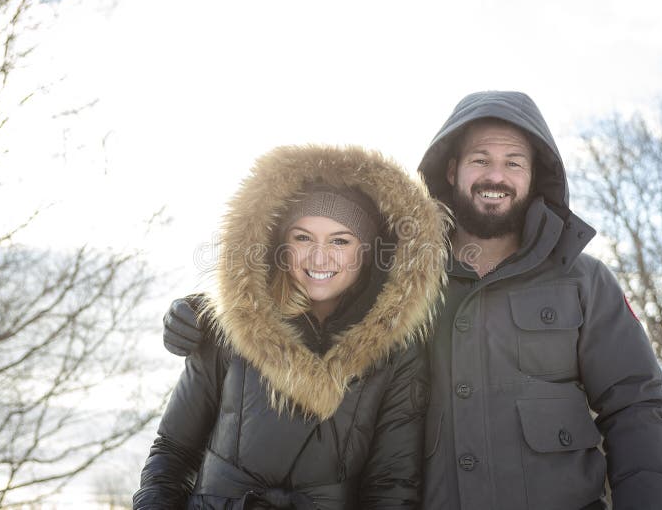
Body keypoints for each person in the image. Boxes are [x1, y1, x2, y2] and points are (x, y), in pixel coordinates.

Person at [163, 92, 662, 510]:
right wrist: (205, 311)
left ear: (533, 176)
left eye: (513, 162)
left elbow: (635, 406)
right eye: (481, 160)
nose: (496, 176)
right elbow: (304, 290)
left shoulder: (584, 280)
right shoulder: (398, 280)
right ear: (452, 170)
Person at [134, 144, 449, 509]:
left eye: (340, 241)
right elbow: (172, 453)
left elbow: (391, 487)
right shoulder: (230, 326)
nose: (319, 256)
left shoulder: (396, 352)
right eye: (303, 237)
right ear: (282, 244)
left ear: (365, 251)